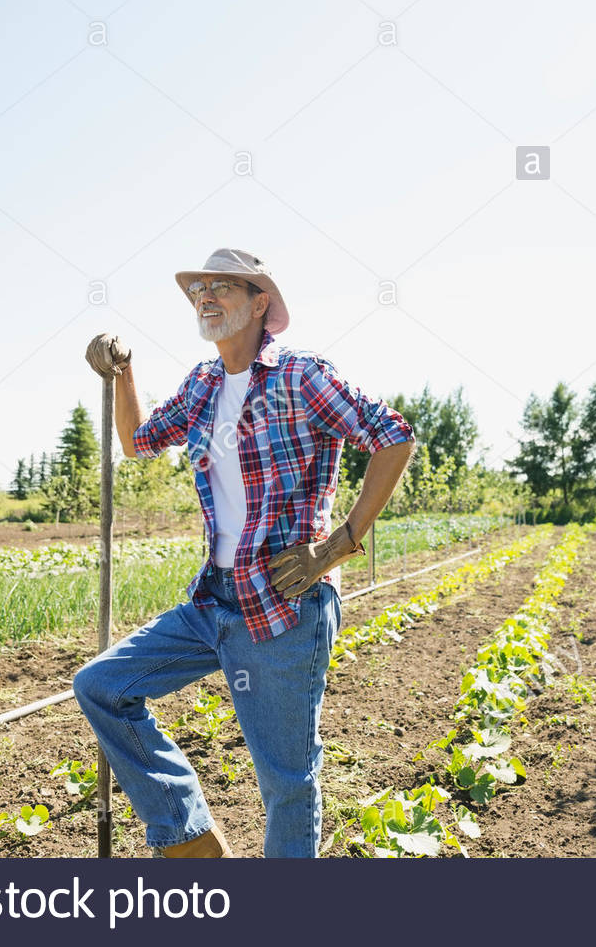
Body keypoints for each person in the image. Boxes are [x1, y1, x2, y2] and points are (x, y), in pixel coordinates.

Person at [75, 247, 415, 858]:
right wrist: (122, 371)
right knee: (103, 685)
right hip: (216, 599)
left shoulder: (301, 376)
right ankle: (191, 841)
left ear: (260, 303)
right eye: (199, 287)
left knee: (286, 783)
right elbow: (137, 441)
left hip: (285, 605)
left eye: (223, 286)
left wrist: (338, 546)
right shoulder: (204, 385)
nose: (206, 295)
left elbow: (393, 436)